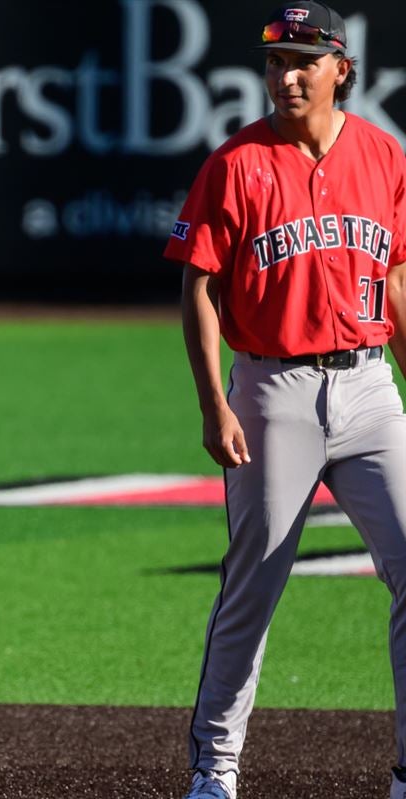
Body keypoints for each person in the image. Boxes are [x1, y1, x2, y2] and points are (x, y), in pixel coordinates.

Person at [164, 3, 406, 797]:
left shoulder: (384, 155)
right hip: (274, 387)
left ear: (342, 68)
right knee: (255, 580)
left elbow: (396, 280)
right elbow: (198, 287)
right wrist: (214, 402)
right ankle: (216, 764)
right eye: (274, 61)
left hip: (371, 385)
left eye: (303, 59)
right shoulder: (236, 163)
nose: (286, 74)